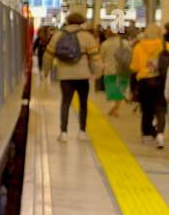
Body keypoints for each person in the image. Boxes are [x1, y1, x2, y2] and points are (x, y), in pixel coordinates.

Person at [42, 10, 100, 142]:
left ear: (68, 21)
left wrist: (46, 71)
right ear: (82, 22)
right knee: (83, 104)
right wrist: (97, 73)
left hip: (65, 76)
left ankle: (63, 132)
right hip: (82, 76)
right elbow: (95, 58)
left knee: (65, 103)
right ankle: (82, 131)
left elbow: (47, 55)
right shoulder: (87, 36)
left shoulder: (58, 35)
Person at [130, 23, 166, 147]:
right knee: (160, 108)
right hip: (160, 81)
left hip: (144, 82)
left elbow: (134, 67)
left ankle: (146, 136)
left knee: (146, 110)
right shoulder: (164, 46)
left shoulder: (138, 47)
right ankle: (160, 133)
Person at [99, 28, 132, 116]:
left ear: (107, 34)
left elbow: (101, 58)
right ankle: (115, 108)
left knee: (112, 90)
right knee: (121, 90)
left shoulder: (105, 44)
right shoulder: (125, 43)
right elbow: (130, 55)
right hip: (123, 70)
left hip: (110, 69)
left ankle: (114, 107)